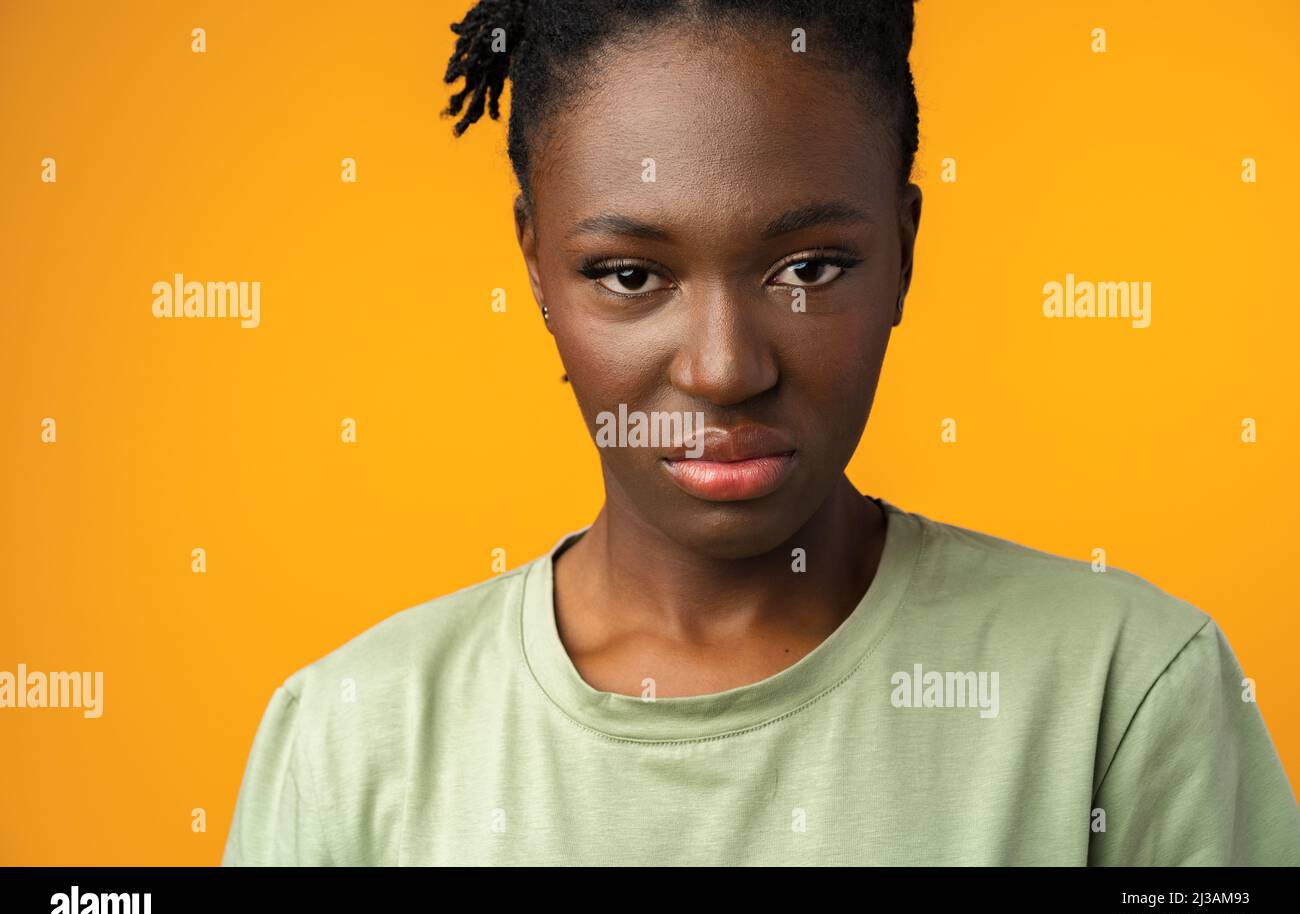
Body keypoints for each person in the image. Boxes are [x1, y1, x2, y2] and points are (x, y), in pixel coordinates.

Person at [222, 0, 1300, 865]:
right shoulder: (350, 735)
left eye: (807, 270)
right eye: (630, 275)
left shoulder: (1124, 692)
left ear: (906, 248)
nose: (725, 367)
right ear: (536, 267)